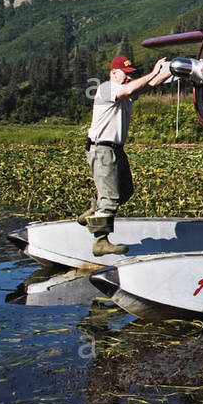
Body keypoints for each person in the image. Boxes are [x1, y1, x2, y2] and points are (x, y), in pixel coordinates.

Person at [80, 54, 171, 255]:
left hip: (116, 149)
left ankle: (93, 213)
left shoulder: (124, 91)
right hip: (102, 148)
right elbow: (131, 88)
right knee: (111, 198)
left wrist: (170, 71)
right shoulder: (107, 88)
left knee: (125, 190)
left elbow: (148, 85)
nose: (128, 78)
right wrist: (154, 71)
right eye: (125, 74)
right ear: (113, 72)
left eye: (130, 75)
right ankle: (100, 241)